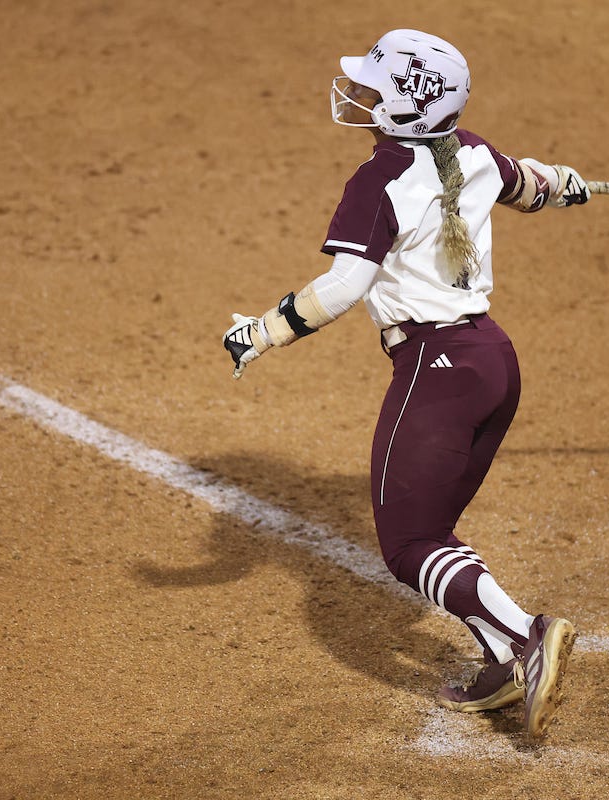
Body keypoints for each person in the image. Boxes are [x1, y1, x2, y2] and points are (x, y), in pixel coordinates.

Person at [222, 29, 588, 739]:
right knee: (436, 530)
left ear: (408, 103)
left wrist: (262, 331)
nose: (359, 97)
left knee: (408, 545)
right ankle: (499, 663)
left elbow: (342, 289)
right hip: (492, 362)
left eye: (372, 88)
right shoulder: (473, 149)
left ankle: (525, 635)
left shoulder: (379, 178)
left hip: (435, 369)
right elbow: (527, 184)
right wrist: (559, 184)